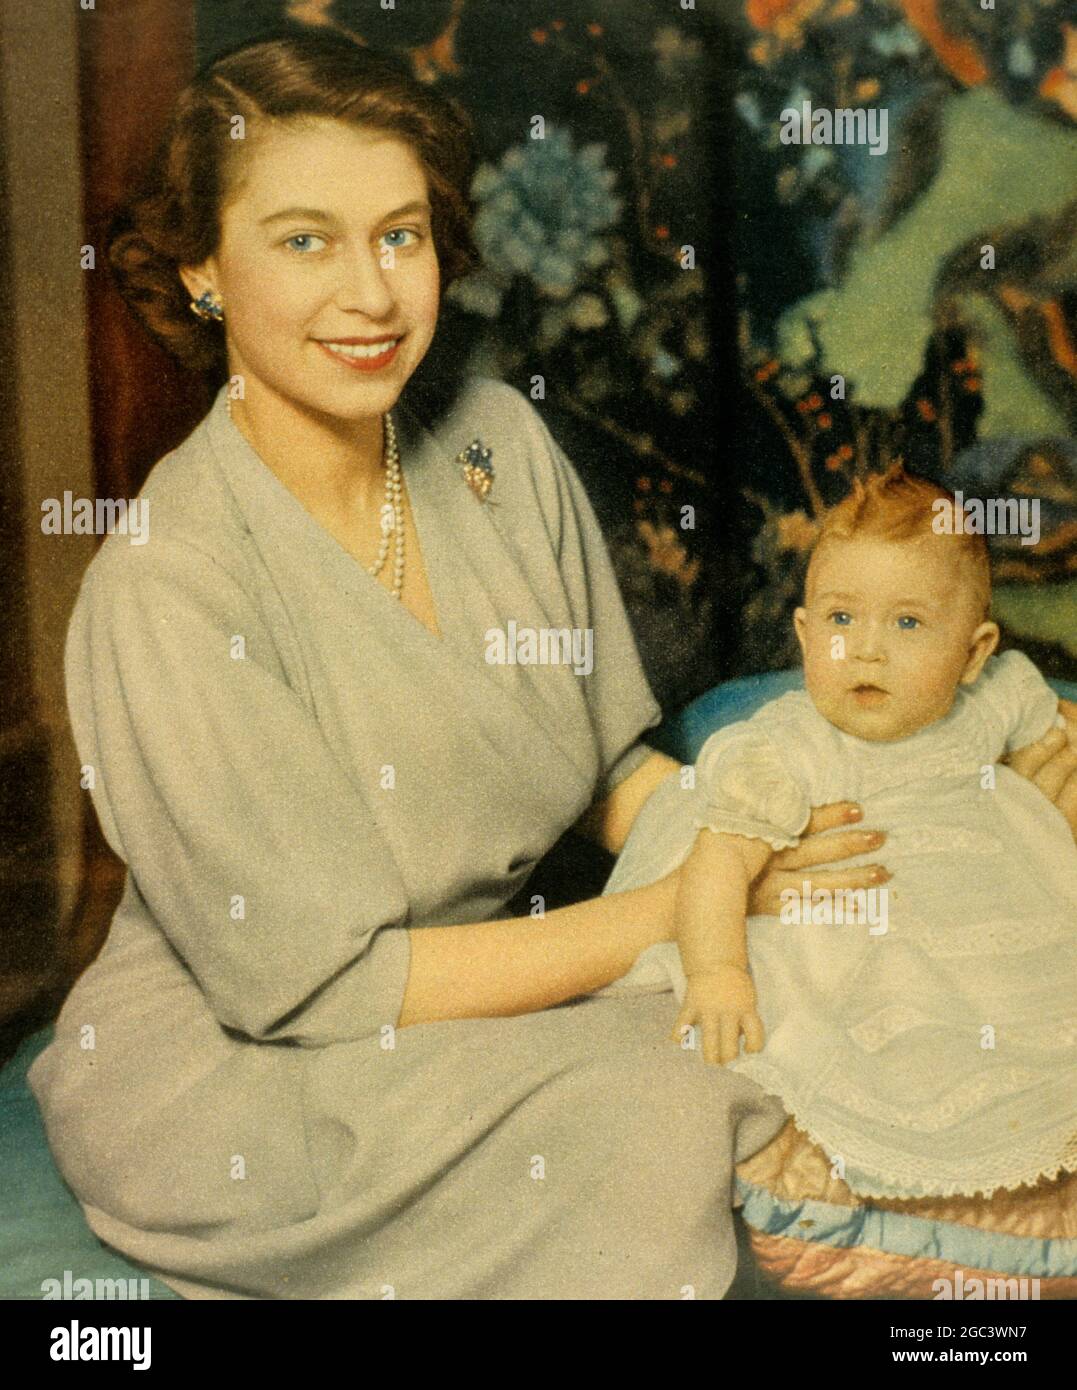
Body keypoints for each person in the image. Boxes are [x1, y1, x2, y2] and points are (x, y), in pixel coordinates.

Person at [27, 31, 1077, 1300]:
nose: (369, 294)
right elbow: (331, 988)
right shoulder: (168, 585)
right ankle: (928, 1241)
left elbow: (604, 769)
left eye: (400, 236)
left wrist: (845, 828)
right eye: (305, 240)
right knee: (671, 1079)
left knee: (844, 976)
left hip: (506, 989)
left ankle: (952, 1191)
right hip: (257, 1059)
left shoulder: (494, 445)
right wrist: (705, 900)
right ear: (202, 268)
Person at [599, 465, 1077, 1202]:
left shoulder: (987, 705)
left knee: (1023, 1030)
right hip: (855, 943)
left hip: (976, 914)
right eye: (839, 619)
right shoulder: (794, 747)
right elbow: (717, 864)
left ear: (973, 652)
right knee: (886, 1038)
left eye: (907, 623)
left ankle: (1017, 1162)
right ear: (803, 630)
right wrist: (719, 974)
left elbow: (1060, 744)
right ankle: (883, 1163)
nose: (865, 651)